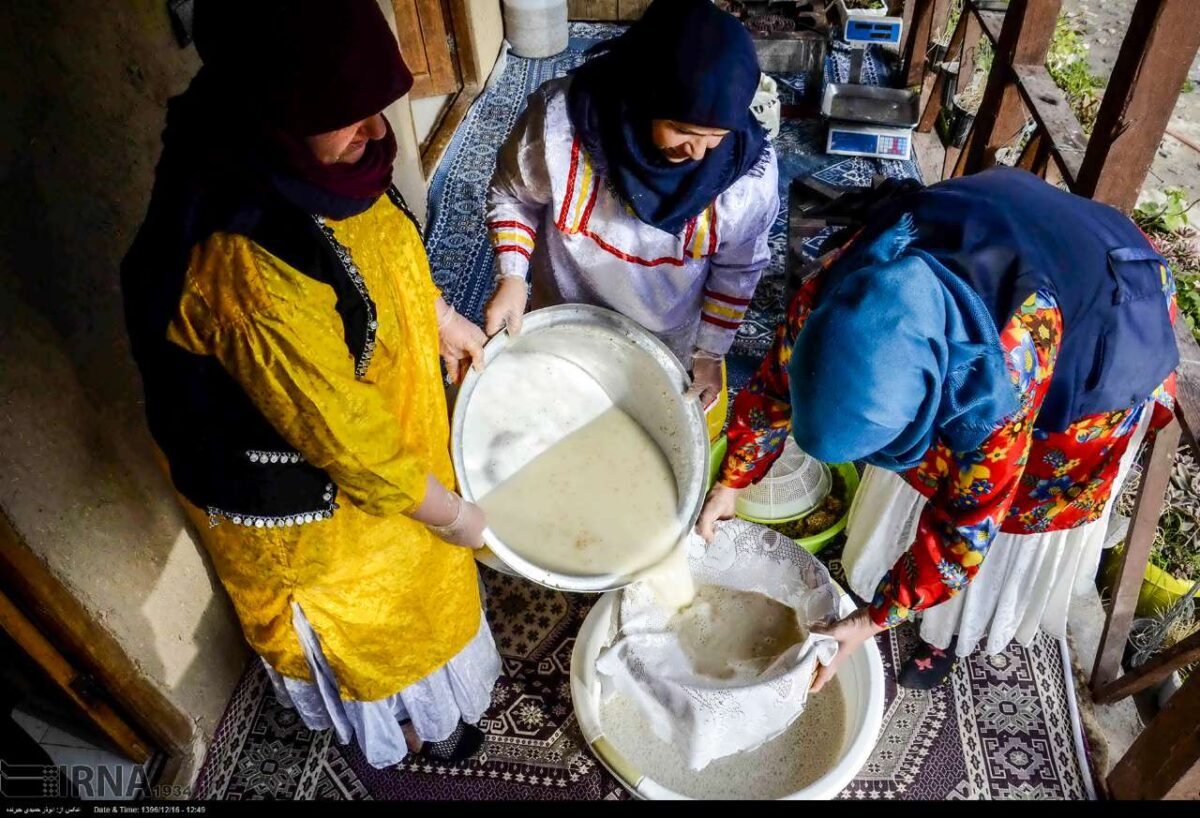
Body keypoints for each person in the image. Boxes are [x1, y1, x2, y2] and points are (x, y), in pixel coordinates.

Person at [121, 0, 498, 767]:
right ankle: (411, 727)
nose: (376, 133)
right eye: (347, 117)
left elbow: (378, 245)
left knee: (422, 583)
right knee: (373, 618)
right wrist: (451, 512)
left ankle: (436, 698)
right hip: (311, 503)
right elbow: (340, 436)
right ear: (277, 108)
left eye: (376, 108)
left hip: (378, 441)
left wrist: (438, 317)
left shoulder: (326, 157)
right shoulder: (245, 265)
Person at [698, 167, 1179, 690]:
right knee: (919, 459)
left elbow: (969, 524)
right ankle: (903, 582)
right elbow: (775, 388)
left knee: (1008, 509)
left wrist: (870, 621)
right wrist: (732, 482)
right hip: (1006, 233)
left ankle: (947, 632)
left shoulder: (1005, 374)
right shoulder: (842, 290)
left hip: (1104, 311)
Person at [484, 0, 780, 437]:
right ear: (645, 94)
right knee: (562, 406)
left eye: (715, 136)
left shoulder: (743, 182)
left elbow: (738, 267)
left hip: (666, 333)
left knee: (639, 421)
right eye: (682, 130)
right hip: (567, 311)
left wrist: (709, 354)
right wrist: (511, 278)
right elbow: (514, 196)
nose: (696, 153)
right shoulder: (562, 131)